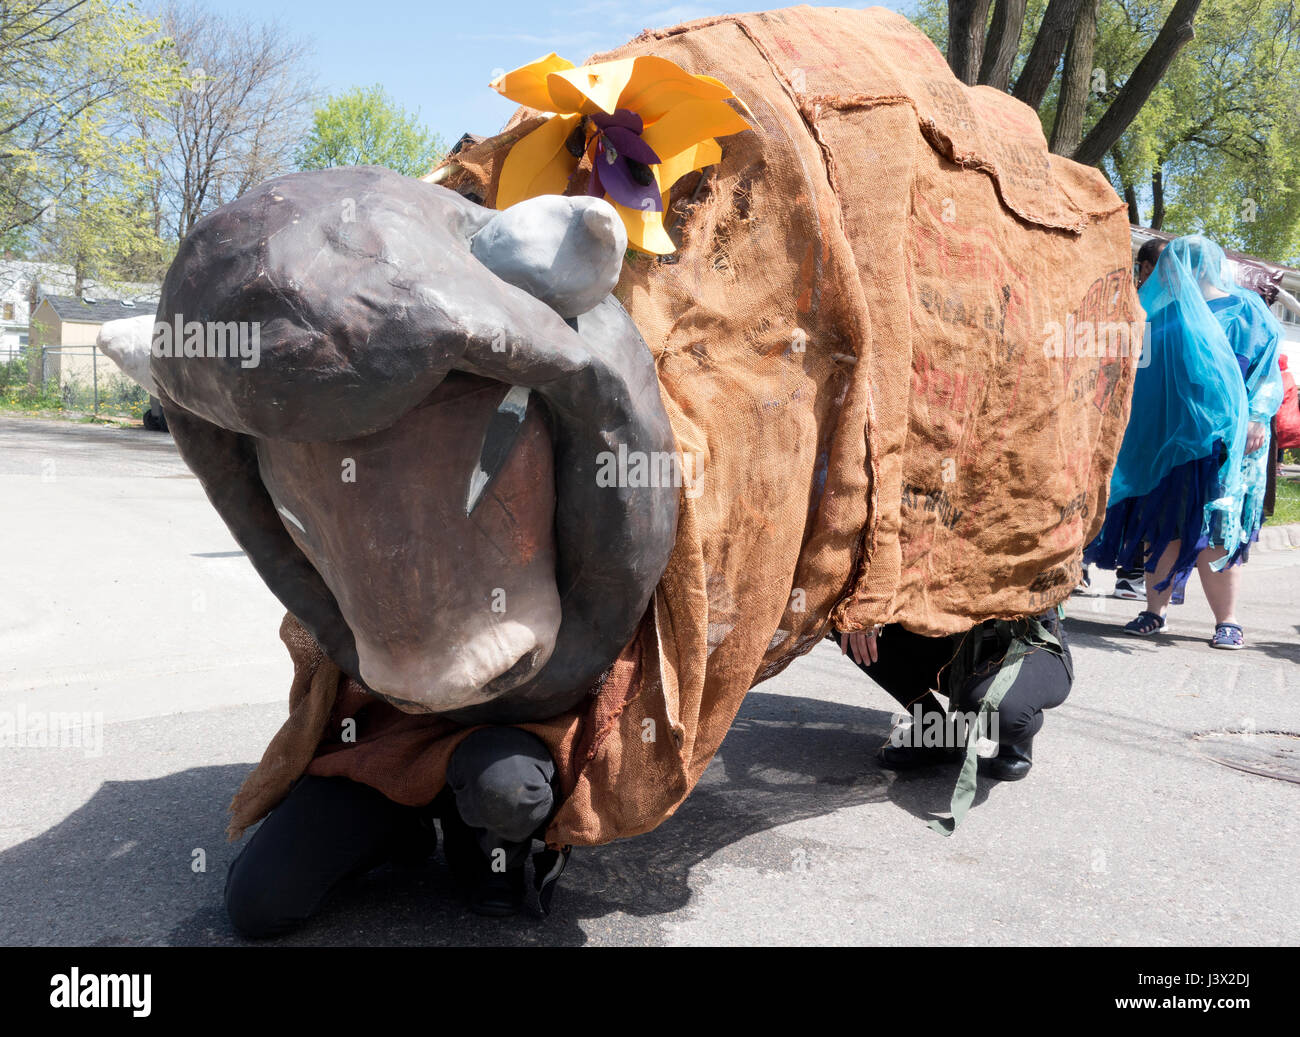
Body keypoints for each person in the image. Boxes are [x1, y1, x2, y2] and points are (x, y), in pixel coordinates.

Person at [1085, 234, 1284, 648]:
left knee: (1216, 530)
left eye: (1178, 265)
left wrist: (1259, 416)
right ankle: (1153, 612)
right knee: (1165, 527)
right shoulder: (1165, 312)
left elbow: (1266, 368)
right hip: (1169, 446)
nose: (1170, 273)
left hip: (1224, 445)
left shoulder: (1244, 308)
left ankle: (1227, 621)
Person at [224, 726, 563, 937]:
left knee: (506, 789)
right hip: (384, 732)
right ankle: (401, 820)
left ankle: (493, 844)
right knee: (259, 904)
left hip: (506, 726)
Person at [834, 608, 1073, 782]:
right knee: (847, 617)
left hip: (1023, 637)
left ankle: (1019, 721)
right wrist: (869, 605)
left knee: (997, 713)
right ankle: (938, 732)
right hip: (944, 628)